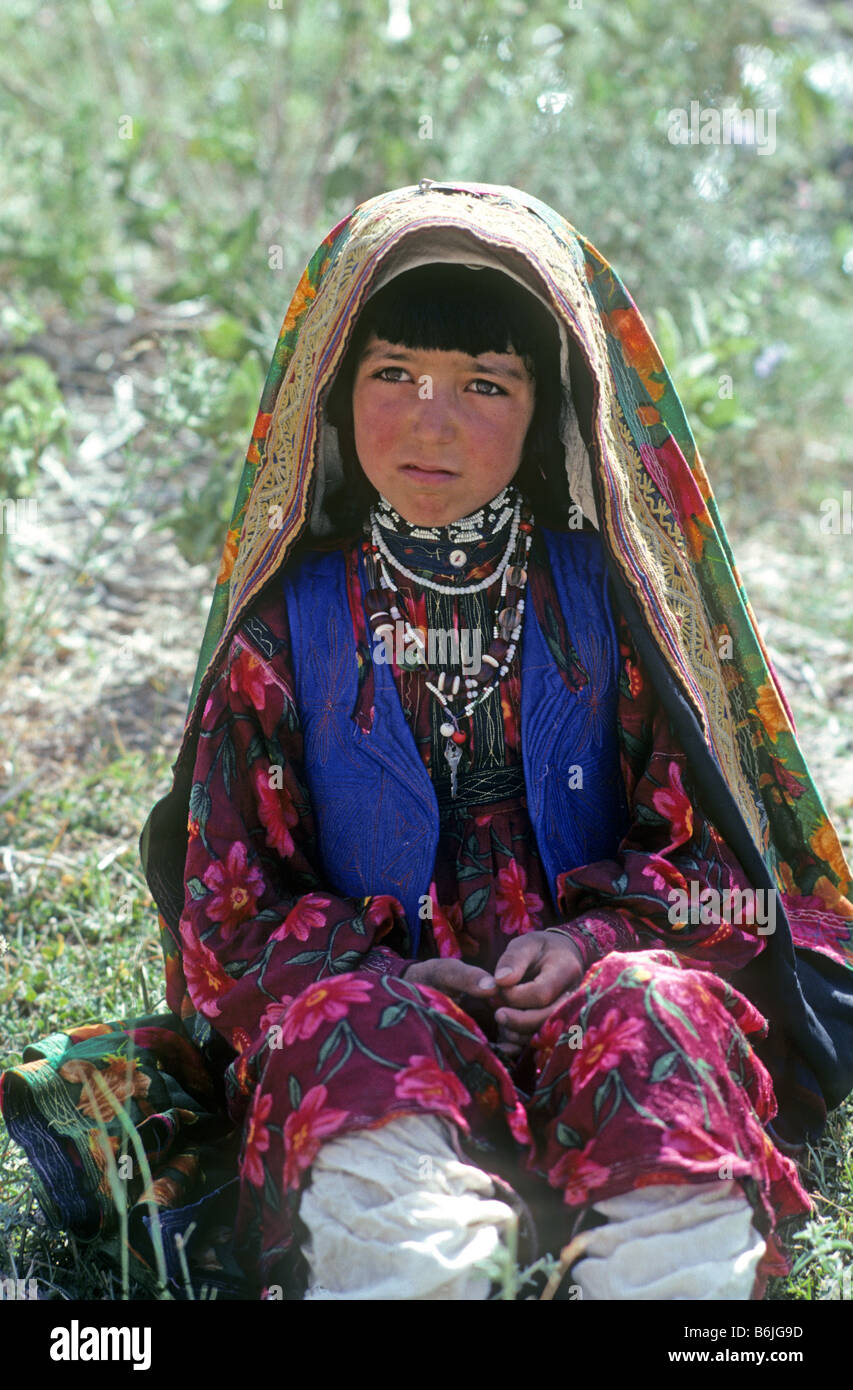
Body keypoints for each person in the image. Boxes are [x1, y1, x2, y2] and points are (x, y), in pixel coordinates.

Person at [2, 180, 852, 1302]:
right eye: (392, 374)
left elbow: (714, 877)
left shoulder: (616, 610)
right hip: (380, 1004)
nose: (429, 420)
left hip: (593, 999)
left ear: (552, 408)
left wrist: (593, 944)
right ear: (334, 396)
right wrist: (390, 968)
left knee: (659, 1005)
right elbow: (228, 917)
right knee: (346, 1030)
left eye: (483, 384)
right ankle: (412, 1269)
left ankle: (660, 1275)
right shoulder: (284, 634)